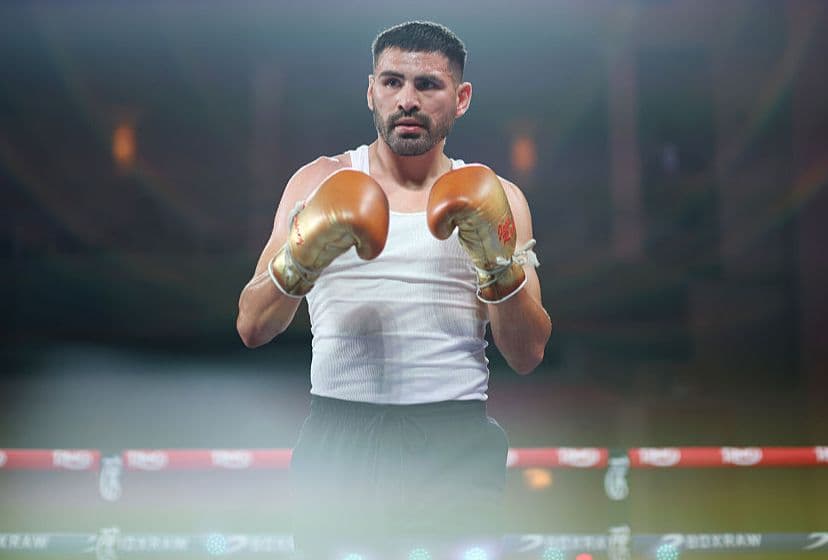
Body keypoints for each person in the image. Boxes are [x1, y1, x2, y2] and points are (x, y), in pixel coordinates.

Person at [236, 21, 552, 559]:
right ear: (371, 92)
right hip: (339, 437)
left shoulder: (500, 197)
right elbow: (252, 326)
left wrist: (497, 265)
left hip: (454, 441)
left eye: (427, 84)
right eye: (392, 82)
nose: (407, 99)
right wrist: (301, 257)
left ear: (461, 98)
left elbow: (527, 354)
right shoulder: (318, 182)